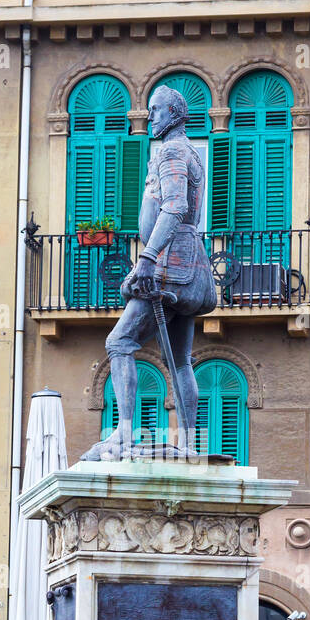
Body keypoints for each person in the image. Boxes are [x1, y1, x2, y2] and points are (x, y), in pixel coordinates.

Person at [82, 85, 216, 459]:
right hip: (190, 261)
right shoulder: (191, 152)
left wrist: (147, 257)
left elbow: (174, 207)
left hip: (169, 263)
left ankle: (124, 434)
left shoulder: (172, 150)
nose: (150, 116)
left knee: (119, 342)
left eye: (156, 110)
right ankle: (188, 441)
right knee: (179, 359)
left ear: (174, 114)